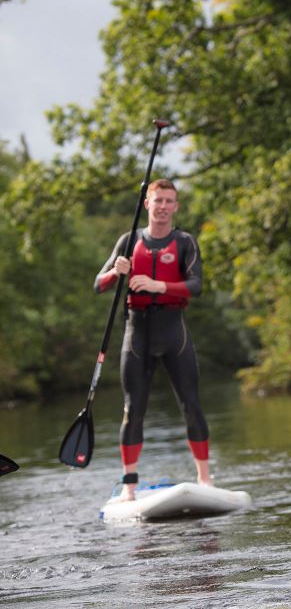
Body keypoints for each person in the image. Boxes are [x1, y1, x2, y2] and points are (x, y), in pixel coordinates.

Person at [94, 179, 209, 501]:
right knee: (133, 410)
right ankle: (129, 487)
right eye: (157, 200)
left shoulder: (185, 242)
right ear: (147, 204)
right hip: (137, 333)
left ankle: (205, 479)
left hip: (174, 332)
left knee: (191, 405)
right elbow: (98, 285)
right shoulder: (129, 240)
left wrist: (160, 286)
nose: (163, 206)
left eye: (169, 201)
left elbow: (196, 285)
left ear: (176, 207)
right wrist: (116, 272)